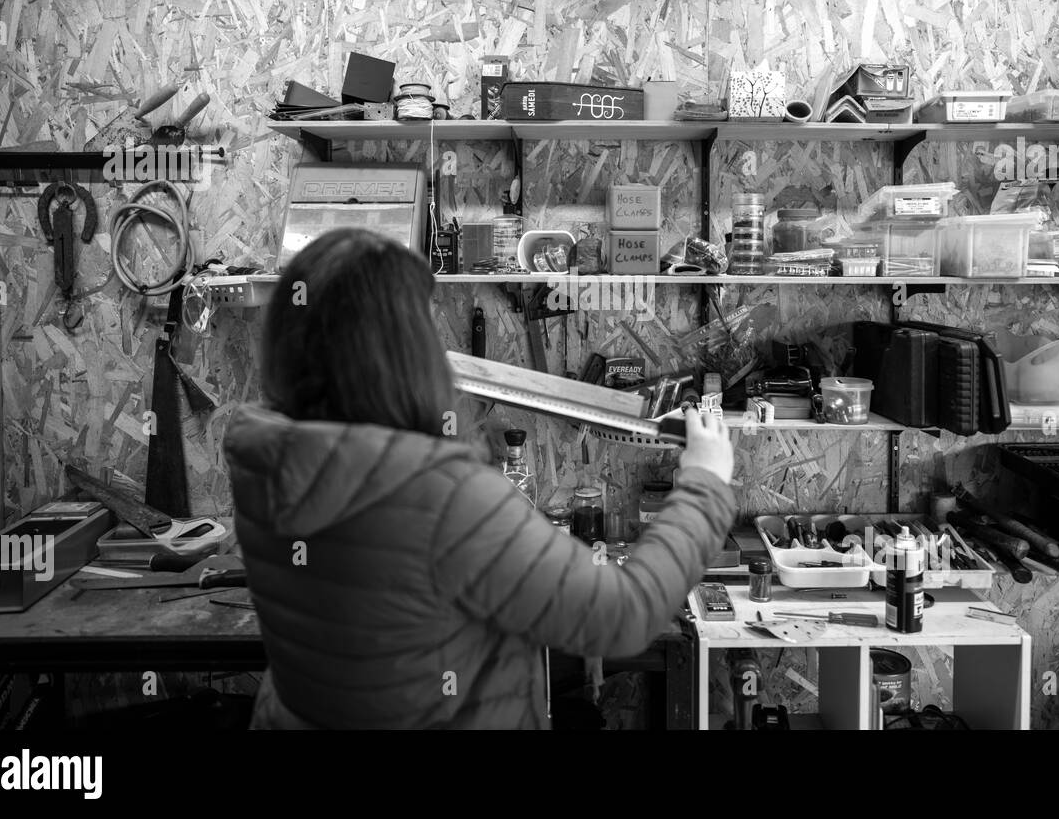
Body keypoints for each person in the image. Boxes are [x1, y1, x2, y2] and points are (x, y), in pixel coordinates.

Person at [223, 228, 736, 729]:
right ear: (405, 355)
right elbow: (626, 615)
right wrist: (704, 485)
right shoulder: (444, 496)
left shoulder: (266, 465)